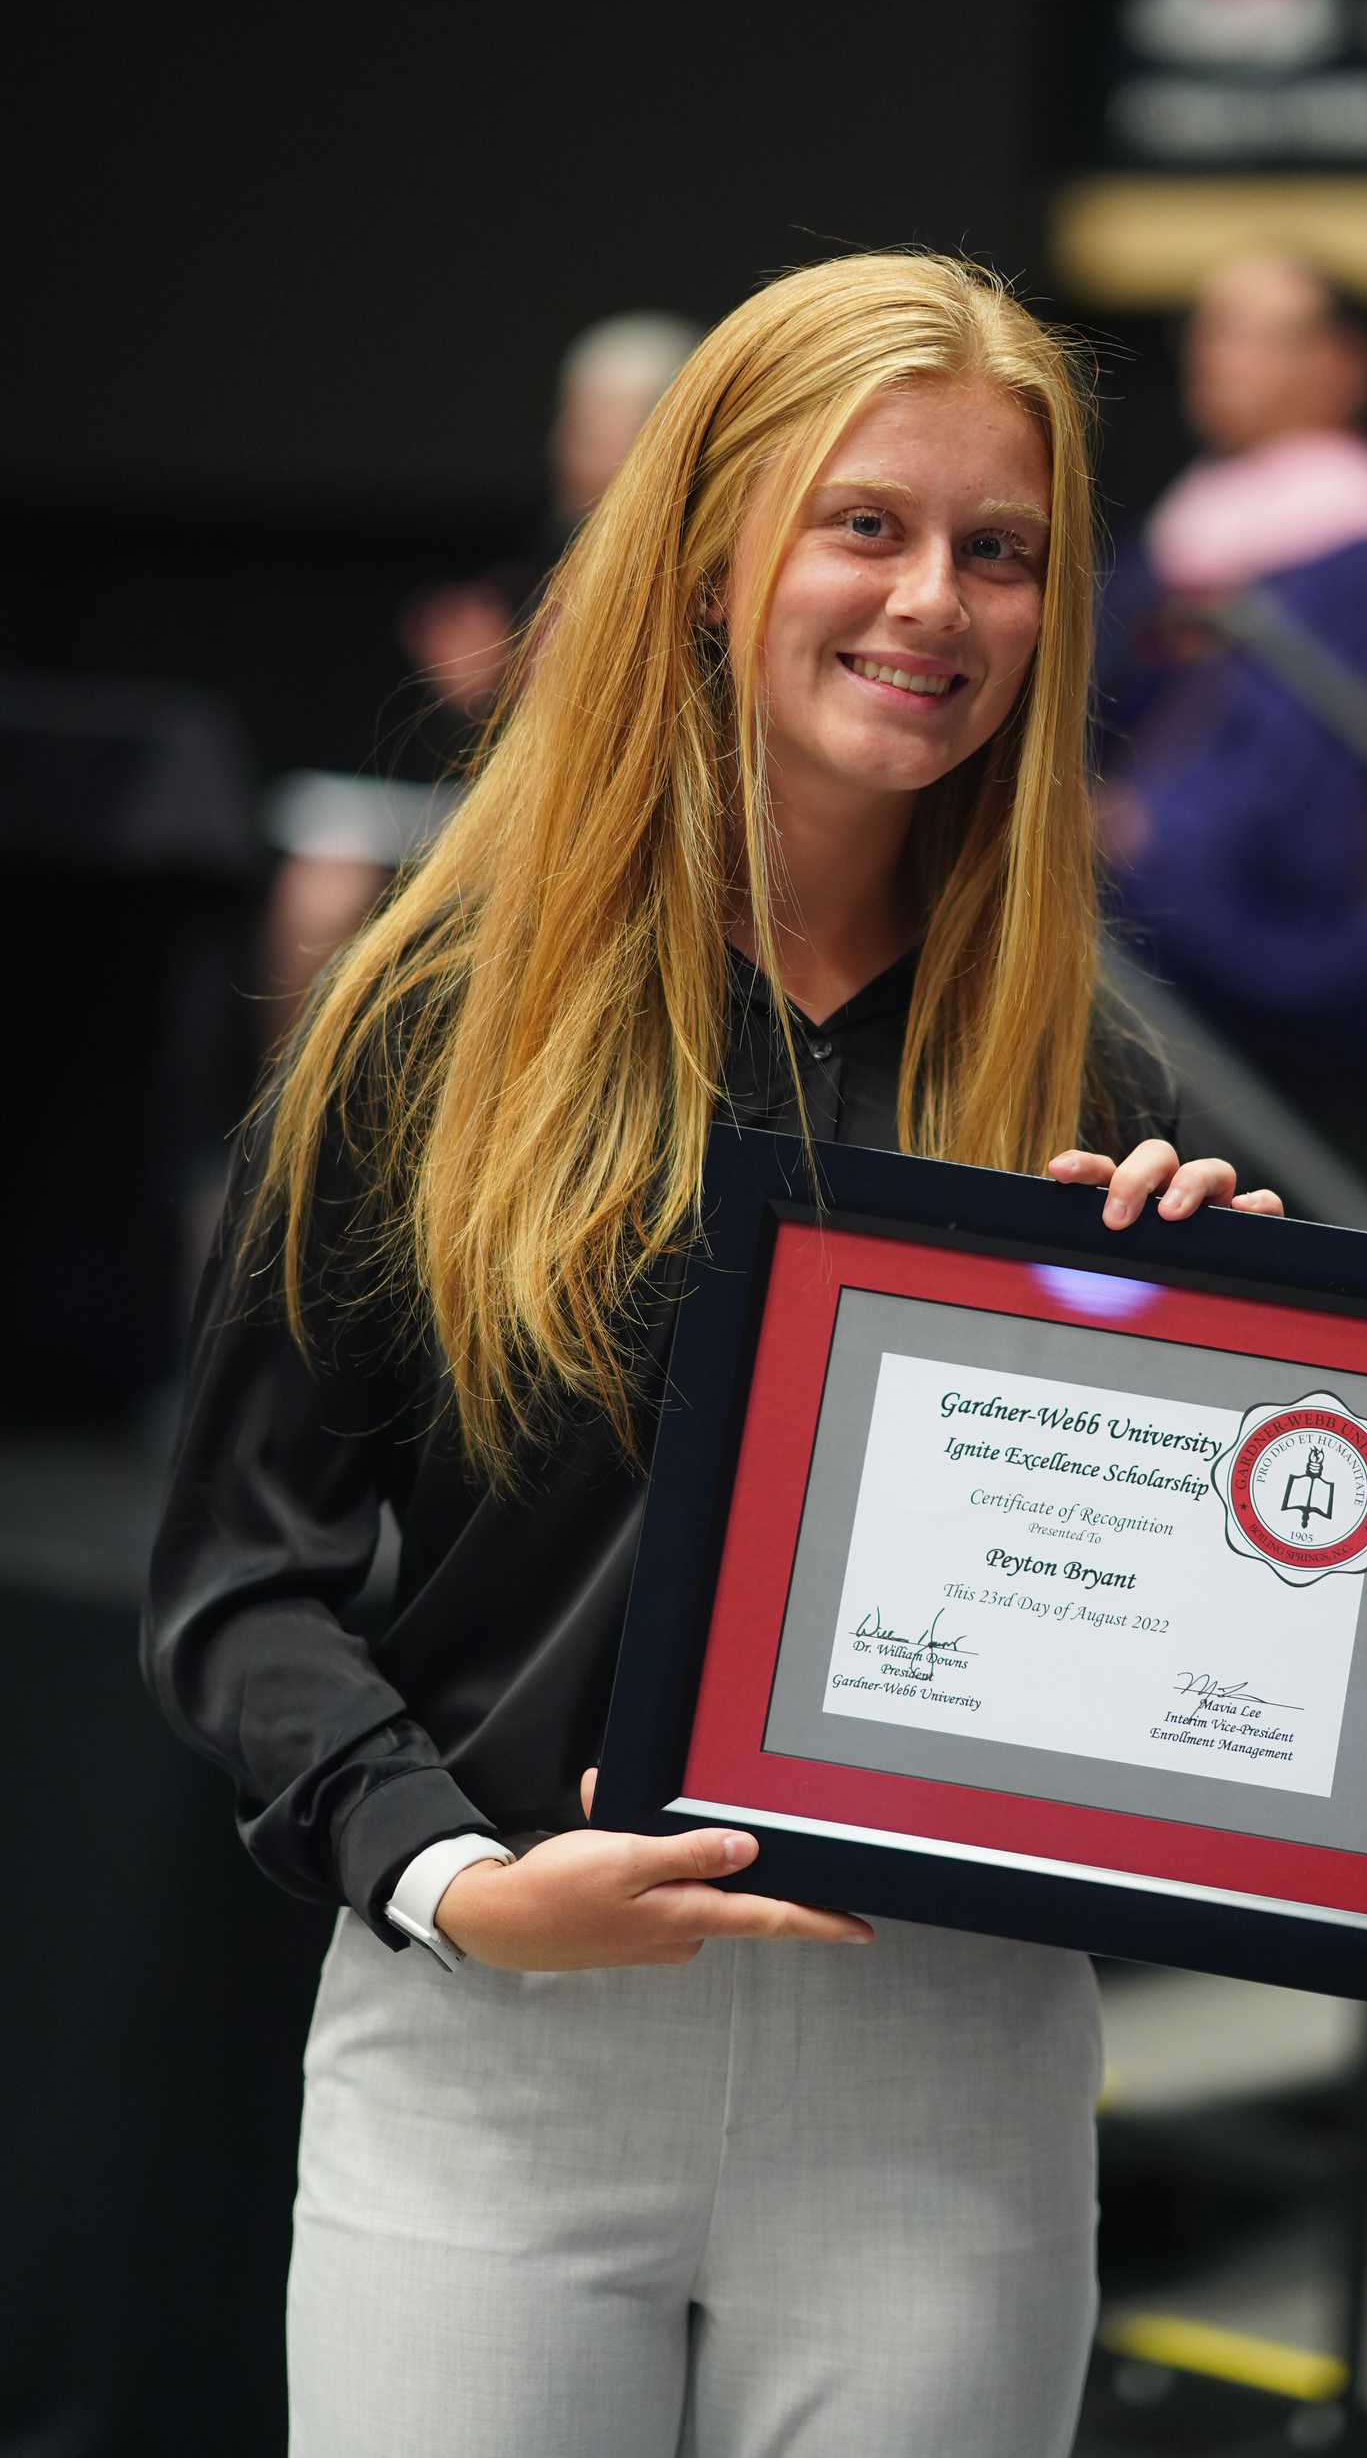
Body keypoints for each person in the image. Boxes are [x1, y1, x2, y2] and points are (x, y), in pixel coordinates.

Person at [146, 252, 1280, 2458]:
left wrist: (1197, 1354)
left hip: (944, 2081)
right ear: (705, 556)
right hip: (496, 2054)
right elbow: (236, 1578)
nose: (931, 600)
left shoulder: (1095, 1072)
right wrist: (455, 1882)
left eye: (1000, 549)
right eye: (865, 522)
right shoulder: (436, 1019)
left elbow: (1186, 1653)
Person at [1097, 248, 1367, 1106]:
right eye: (1202, 330)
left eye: (1245, 333)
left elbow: (1315, 782)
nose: (1209, 353)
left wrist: (1140, 833)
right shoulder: (1197, 526)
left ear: (1342, 364)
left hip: (1250, 956)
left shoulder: (1360, 554)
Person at [258, 312, 702, 1043]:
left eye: (591, 427)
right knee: (320, 883)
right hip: (482, 796)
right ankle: (292, 1120)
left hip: (601, 823)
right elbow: (504, 696)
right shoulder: (554, 539)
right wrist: (480, 670)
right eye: (572, 421)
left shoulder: (686, 558)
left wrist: (517, 678)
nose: (565, 445)